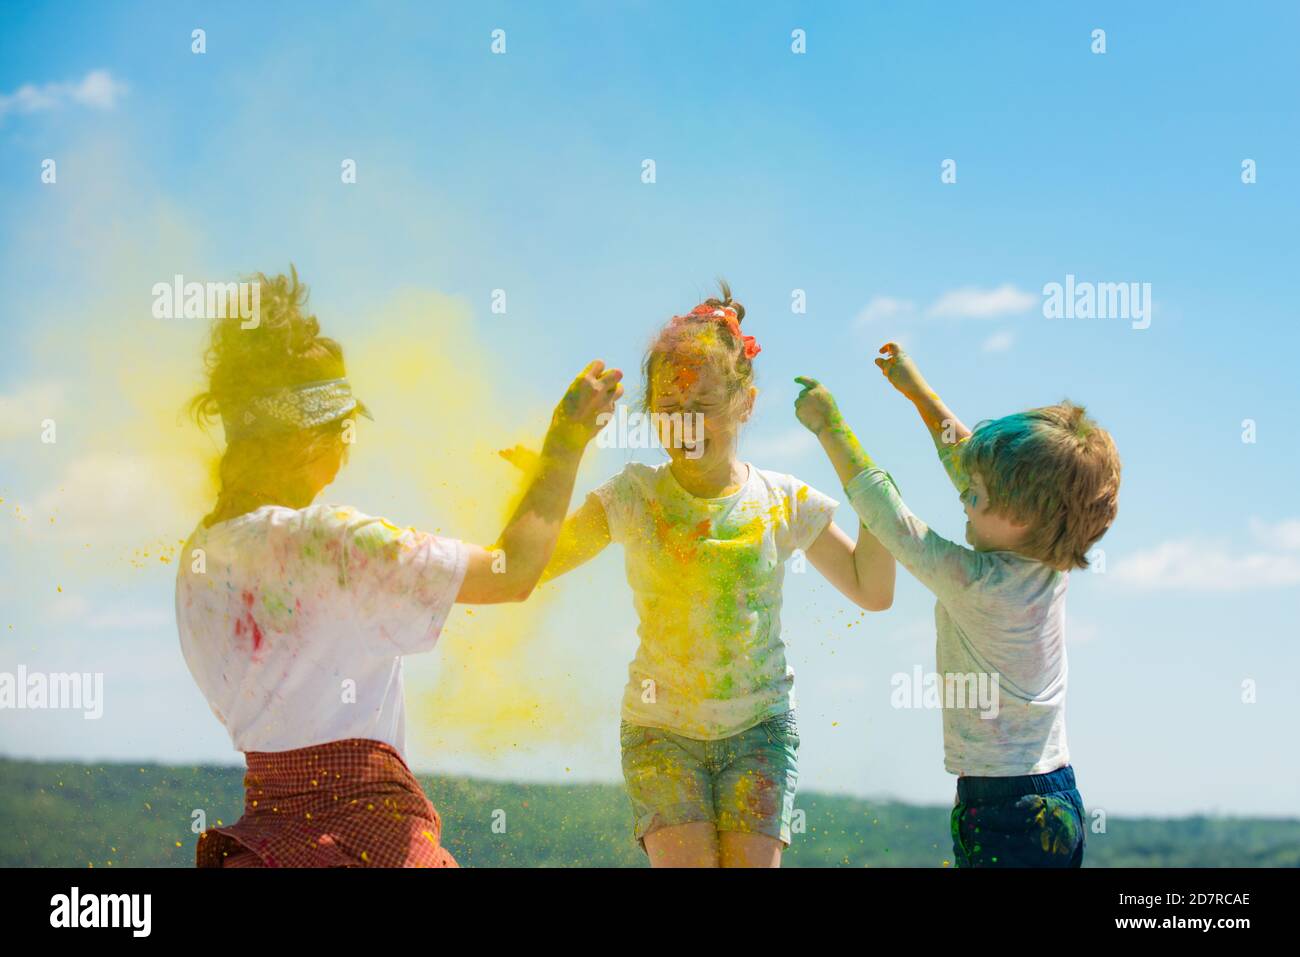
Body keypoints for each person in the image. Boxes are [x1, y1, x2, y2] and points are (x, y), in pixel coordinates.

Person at [177, 267, 622, 866]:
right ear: (316, 440)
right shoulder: (332, 541)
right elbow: (513, 572)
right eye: (345, 434)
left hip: (258, 847)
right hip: (365, 841)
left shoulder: (199, 558)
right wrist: (566, 443)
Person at [539, 282, 895, 868]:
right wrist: (564, 446)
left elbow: (873, 589)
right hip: (661, 731)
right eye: (668, 410)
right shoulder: (634, 496)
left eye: (700, 408)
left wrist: (850, 457)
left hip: (760, 733)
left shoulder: (781, 500)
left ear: (745, 403)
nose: (683, 426)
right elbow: (539, 563)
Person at [794, 341, 1121, 867]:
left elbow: (893, 523)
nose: (963, 496)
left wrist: (831, 428)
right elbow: (970, 463)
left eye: (974, 495)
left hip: (1005, 811)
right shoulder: (1049, 558)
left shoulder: (980, 585)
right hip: (1057, 795)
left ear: (1019, 517)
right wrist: (918, 394)